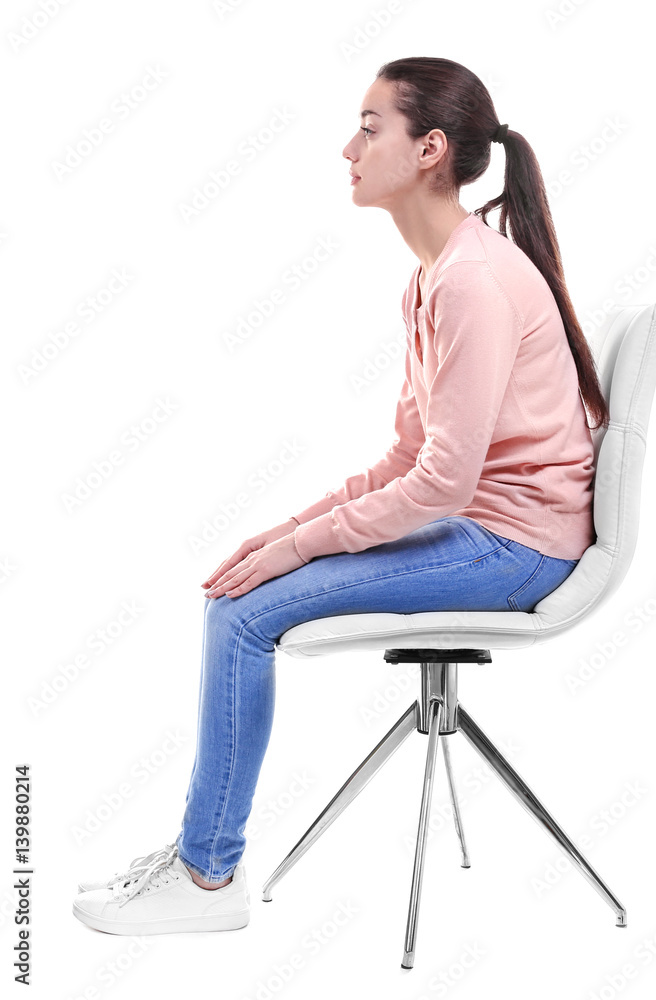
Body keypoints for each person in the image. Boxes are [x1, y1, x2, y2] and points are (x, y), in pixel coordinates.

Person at [72, 55, 609, 935]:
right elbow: (409, 454)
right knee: (237, 588)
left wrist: (298, 551)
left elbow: (444, 483)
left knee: (241, 614)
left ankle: (207, 881)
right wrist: (287, 530)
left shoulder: (473, 280)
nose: (346, 149)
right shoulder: (434, 278)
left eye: (369, 128)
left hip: (517, 551)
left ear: (430, 149)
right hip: (487, 531)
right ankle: (203, 861)